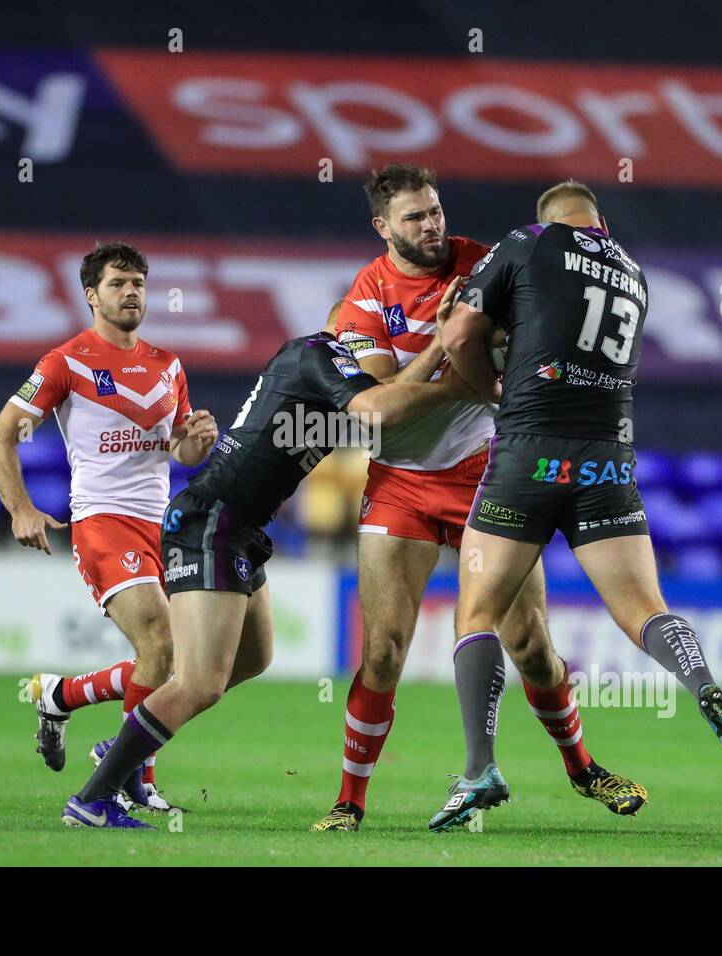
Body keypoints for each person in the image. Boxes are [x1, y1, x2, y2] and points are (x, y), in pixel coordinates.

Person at [61, 284, 475, 829]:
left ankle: (131, 736)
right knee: (201, 682)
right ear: (350, 329)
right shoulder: (318, 352)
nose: (376, 348)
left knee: (254, 657)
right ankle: (92, 798)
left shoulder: (338, 373)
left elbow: (388, 394)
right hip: (212, 519)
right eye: (369, 337)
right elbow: (380, 408)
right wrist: (453, 367)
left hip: (242, 526)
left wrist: (440, 355)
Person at [313, 164, 645, 833]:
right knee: (382, 650)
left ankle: (582, 768)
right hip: (401, 484)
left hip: (490, 477)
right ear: (383, 228)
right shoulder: (362, 302)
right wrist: (456, 354)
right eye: (415, 217)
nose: (432, 225)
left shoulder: (489, 259)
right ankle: (349, 801)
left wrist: (479, 366)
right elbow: (384, 413)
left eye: (435, 210)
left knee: (531, 644)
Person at [437, 180, 722, 829]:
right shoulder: (634, 274)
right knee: (646, 611)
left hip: (528, 454)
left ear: (547, 219)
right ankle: (705, 687)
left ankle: (480, 767)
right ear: (600, 222)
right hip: (607, 460)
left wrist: (497, 391)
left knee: (477, 610)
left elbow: (456, 337)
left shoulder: (527, 244)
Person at [0, 242, 216, 812]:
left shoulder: (169, 365)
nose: (132, 291)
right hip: (102, 521)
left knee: (170, 662)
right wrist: (20, 506)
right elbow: (1, 434)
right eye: (118, 283)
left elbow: (180, 453)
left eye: (139, 281)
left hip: (161, 525)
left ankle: (60, 697)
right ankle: (133, 784)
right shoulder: (65, 361)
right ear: (92, 295)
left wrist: (196, 441)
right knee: (160, 646)